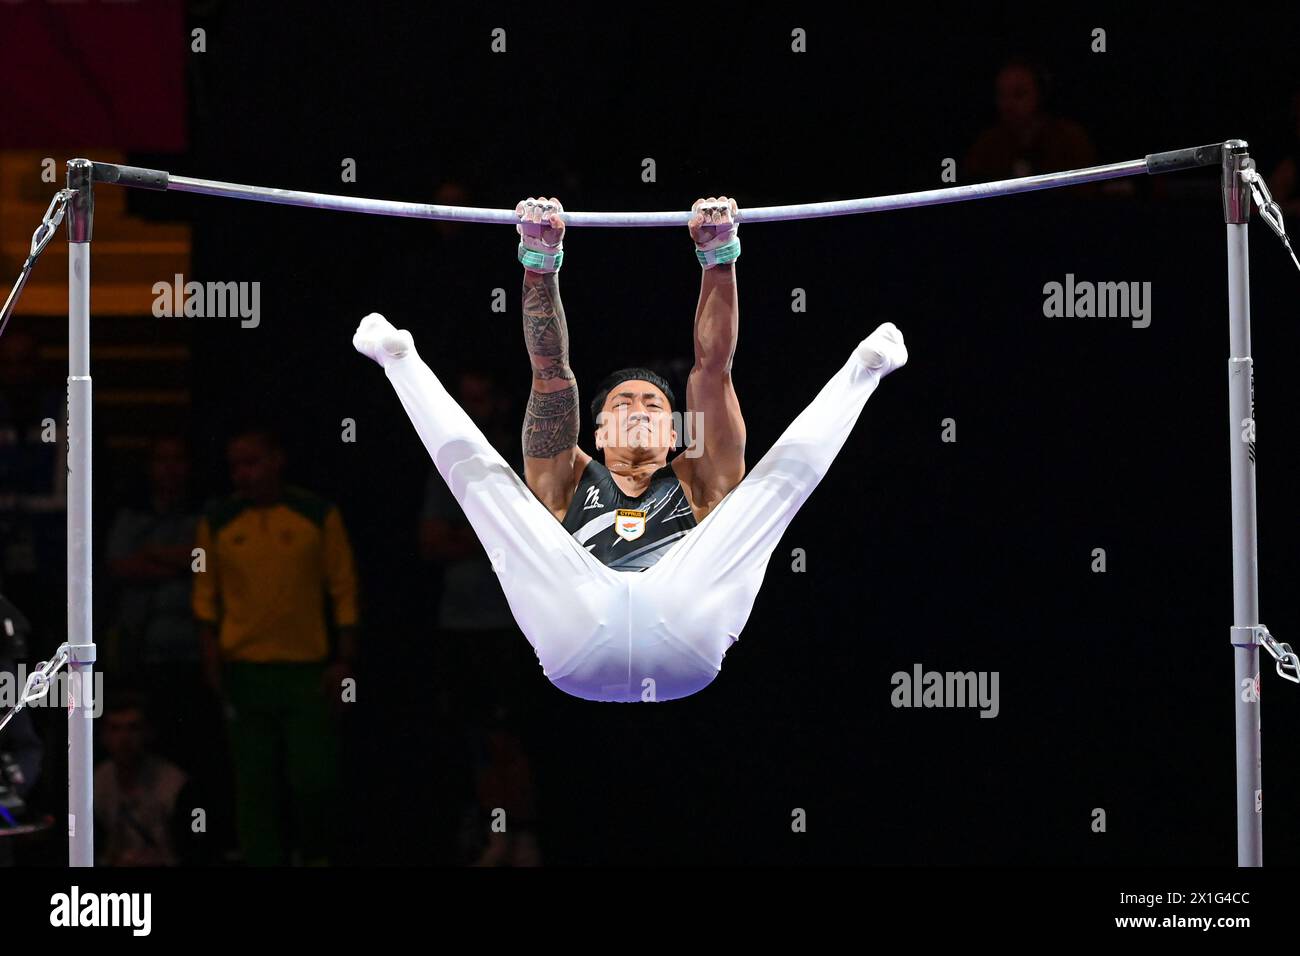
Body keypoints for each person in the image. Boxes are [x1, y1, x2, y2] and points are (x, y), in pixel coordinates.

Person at [353, 196, 907, 703]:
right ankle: (401, 360)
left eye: (653, 405)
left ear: (676, 435)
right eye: (621, 404)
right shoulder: (566, 480)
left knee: (764, 494)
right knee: (496, 492)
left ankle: (864, 372)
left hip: (683, 623)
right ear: (594, 436)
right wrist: (539, 263)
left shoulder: (700, 484)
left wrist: (719, 257)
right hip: (576, 623)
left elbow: (712, 371)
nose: (638, 408)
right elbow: (550, 374)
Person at [192, 424, 360, 864]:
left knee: (315, 780)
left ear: (277, 459)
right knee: (254, 785)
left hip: (307, 671)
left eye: (252, 462)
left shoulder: (317, 514)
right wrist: (210, 655)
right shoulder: (218, 521)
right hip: (244, 670)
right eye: (235, 466)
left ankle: (317, 856)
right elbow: (205, 596)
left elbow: (343, 590)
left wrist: (344, 659)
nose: (243, 474)